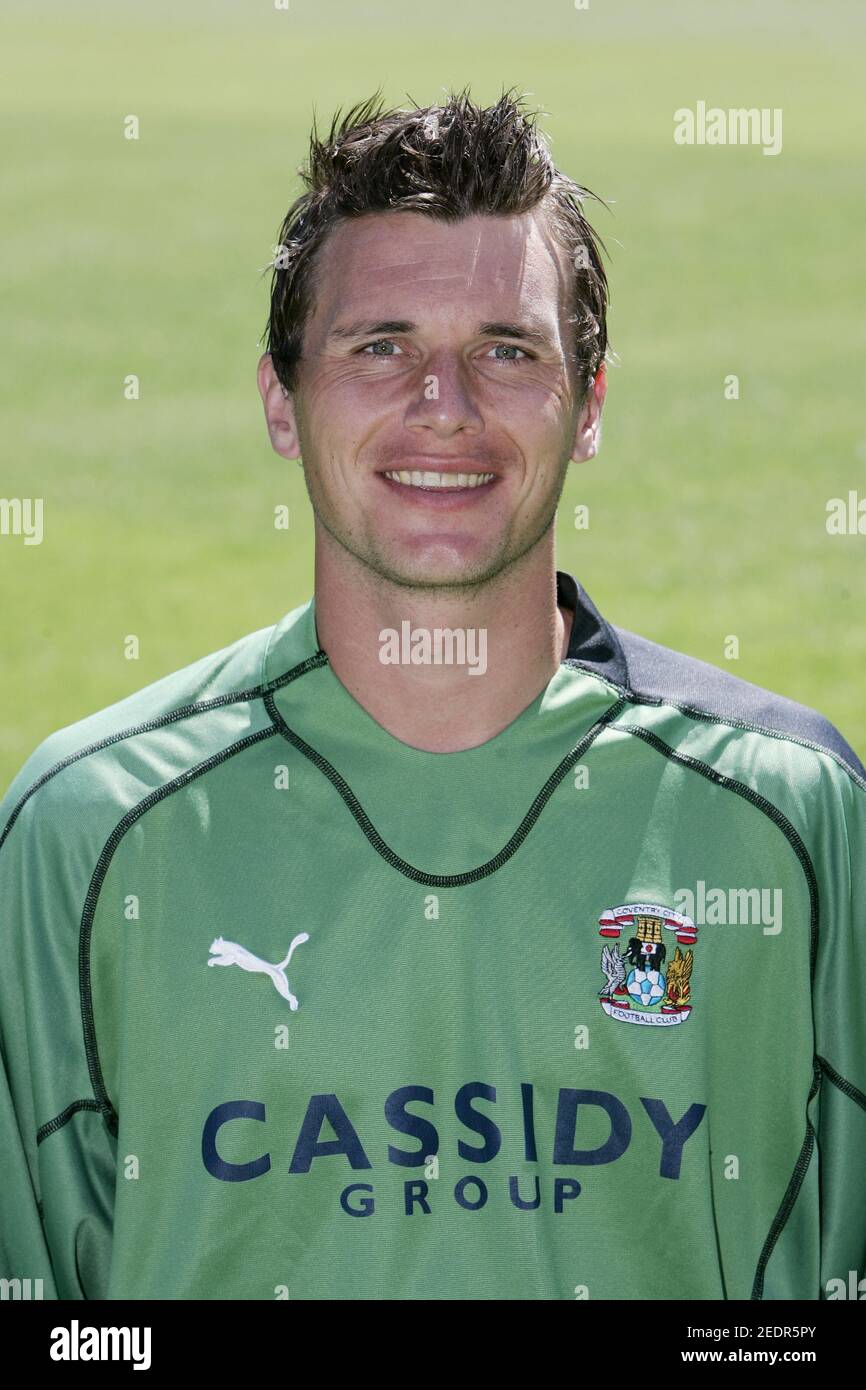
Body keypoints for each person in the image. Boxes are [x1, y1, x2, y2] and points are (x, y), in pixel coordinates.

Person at [1, 90, 864, 1302]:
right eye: (379, 345)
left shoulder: (793, 816)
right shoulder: (84, 831)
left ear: (592, 404)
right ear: (278, 403)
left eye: (506, 350)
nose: (442, 404)